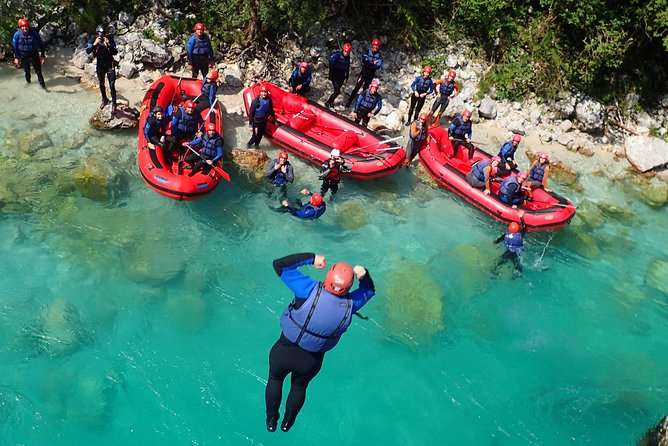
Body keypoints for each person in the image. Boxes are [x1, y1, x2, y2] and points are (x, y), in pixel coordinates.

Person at [265, 253, 375, 432]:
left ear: (328, 277)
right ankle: (287, 423)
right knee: (299, 386)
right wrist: (365, 276)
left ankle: (271, 421)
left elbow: (279, 265)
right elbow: (369, 290)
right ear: (348, 287)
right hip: (310, 361)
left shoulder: (307, 289)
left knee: (275, 379)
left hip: (284, 351)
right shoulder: (352, 304)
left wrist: (312, 258)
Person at [86, 25, 118, 113]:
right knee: (101, 83)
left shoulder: (109, 39)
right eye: (100, 34)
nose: (102, 36)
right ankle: (104, 99)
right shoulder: (93, 40)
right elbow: (88, 51)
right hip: (100, 64)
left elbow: (115, 51)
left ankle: (114, 104)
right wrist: (94, 44)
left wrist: (108, 44)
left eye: (103, 34)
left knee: (112, 84)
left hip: (109, 64)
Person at [345, 38, 382, 108]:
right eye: (374, 45)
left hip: (370, 74)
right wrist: (372, 63)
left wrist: (370, 63)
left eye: (376, 46)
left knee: (365, 89)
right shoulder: (368, 51)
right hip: (364, 72)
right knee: (357, 87)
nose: (375, 47)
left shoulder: (379, 55)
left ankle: (360, 104)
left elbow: (379, 65)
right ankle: (349, 101)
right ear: (372, 45)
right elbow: (364, 60)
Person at [12, 18, 46, 89]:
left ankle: (43, 85)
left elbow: (41, 44)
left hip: (34, 53)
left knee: (38, 71)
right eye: (22, 27)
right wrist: (16, 57)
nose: (24, 28)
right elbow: (15, 47)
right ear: (20, 27)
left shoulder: (34, 34)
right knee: (27, 70)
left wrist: (42, 56)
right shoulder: (17, 35)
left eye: (26, 26)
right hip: (23, 54)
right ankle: (28, 82)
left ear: (28, 26)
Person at [492, 212, 526, 277]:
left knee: (498, 263)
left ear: (509, 229)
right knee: (518, 267)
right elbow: (524, 227)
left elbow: (499, 240)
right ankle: (515, 277)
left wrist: (494, 243)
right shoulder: (520, 235)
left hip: (507, 252)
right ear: (518, 229)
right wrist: (521, 217)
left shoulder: (506, 235)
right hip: (515, 253)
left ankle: (494, 273)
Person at [324, 43, 352, 108]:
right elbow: (332, 64)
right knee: (337, 91)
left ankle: (331, 102)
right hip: (335, 74)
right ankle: (328, 102)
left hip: (341, 75)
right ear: (343, 50)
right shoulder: (337, 55)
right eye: (345, 51)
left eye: (347, 52)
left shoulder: (348, 57)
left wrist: (347, 75)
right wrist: (330, 74)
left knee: (337, 91)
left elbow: (347, 66)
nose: (346, 53)